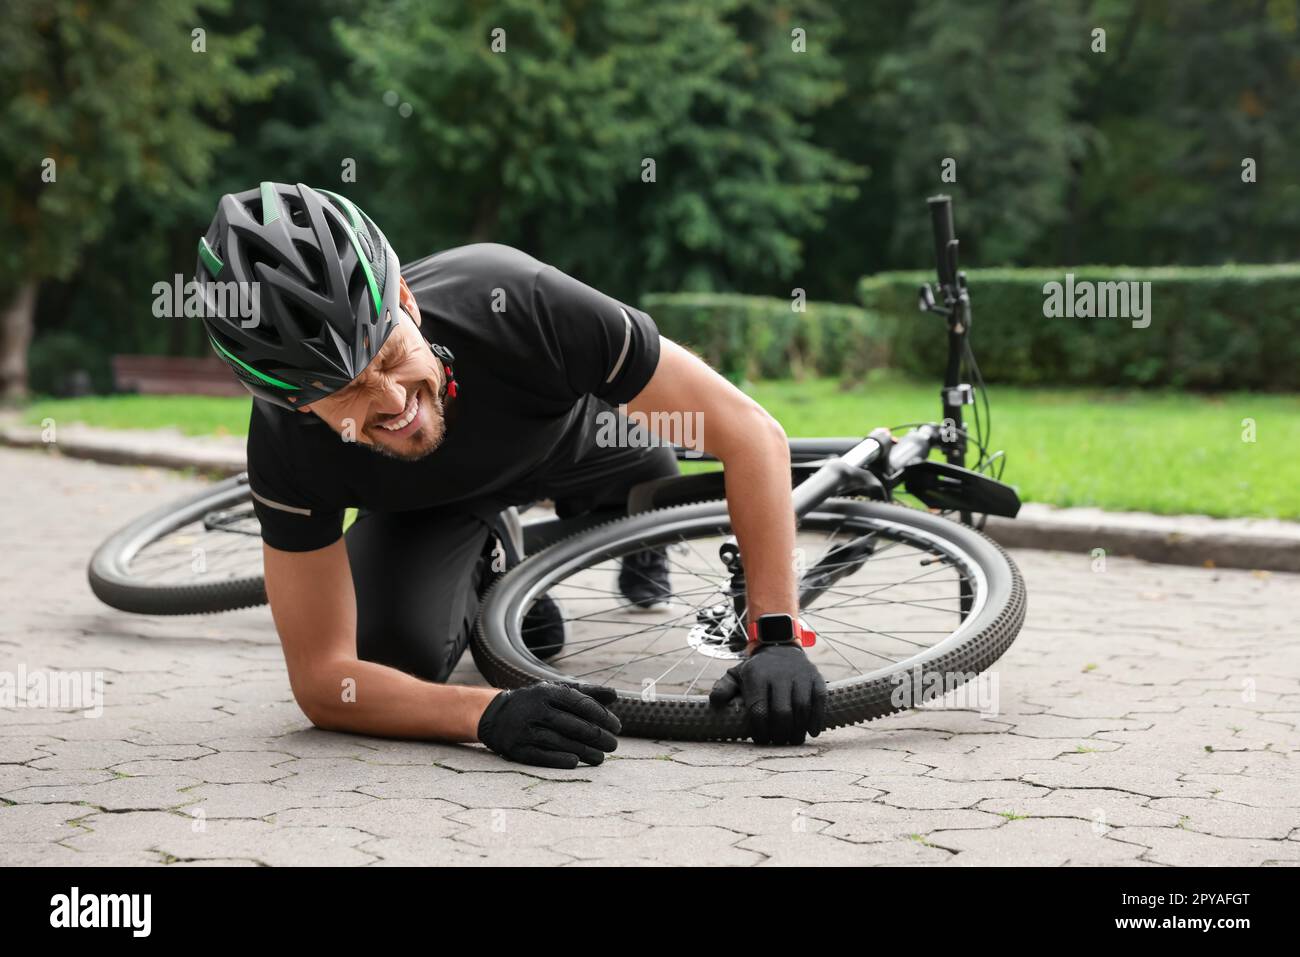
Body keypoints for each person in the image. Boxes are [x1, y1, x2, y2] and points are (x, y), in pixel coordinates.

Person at [196, 181, 826, 769]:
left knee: (655, 483)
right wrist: (485, 713)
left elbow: (750, 434)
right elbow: (324, 682)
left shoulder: (514, 295)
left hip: (581, 445)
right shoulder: (285, 444)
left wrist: (774, 634)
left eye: (387, 354)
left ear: (407, 302)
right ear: (298, 406)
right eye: (347, 392)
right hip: (430, 506)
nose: (390, 401)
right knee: (389, 658)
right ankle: (498, 563)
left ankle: (614, 562)